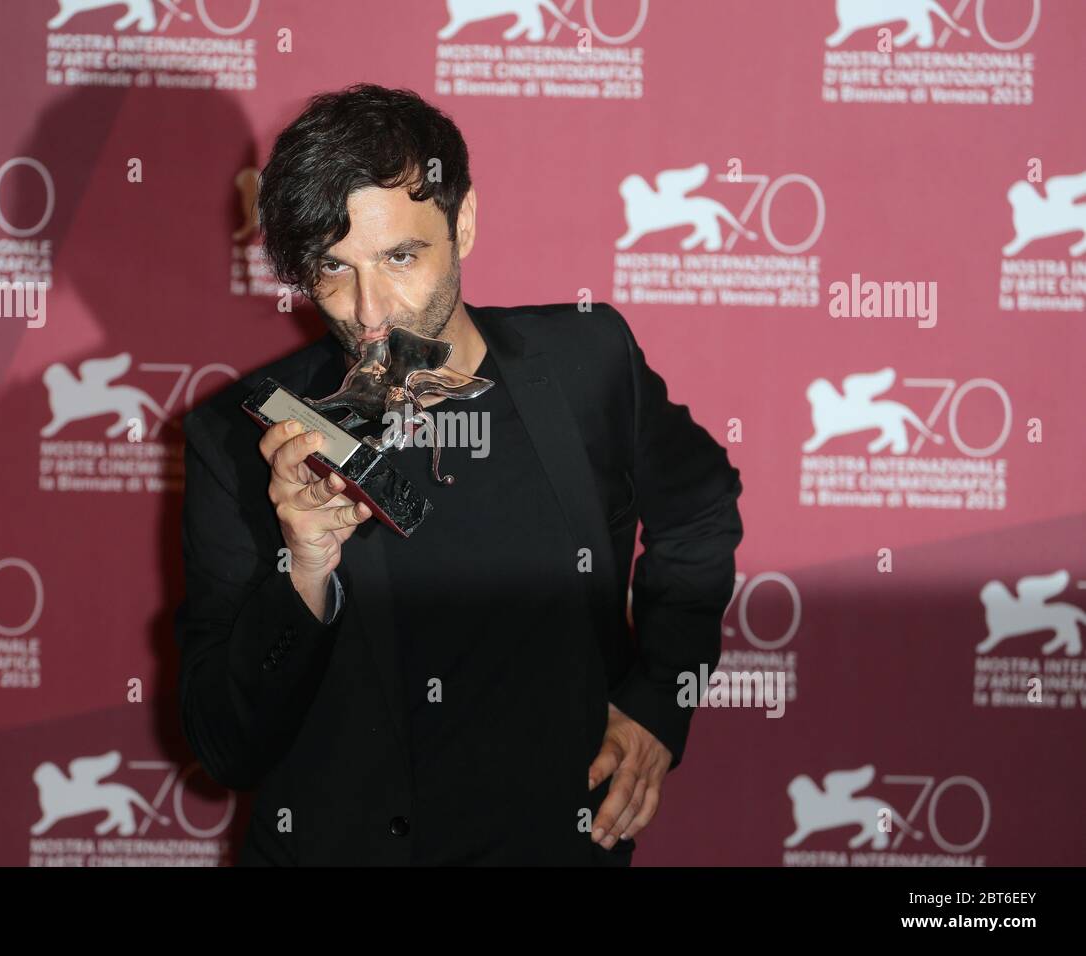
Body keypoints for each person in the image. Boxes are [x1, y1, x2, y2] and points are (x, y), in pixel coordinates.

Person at [174, 83, 744, 865]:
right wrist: (305, 575)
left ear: (463, 222)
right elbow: (228, 747)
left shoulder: (587, 364)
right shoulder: (240, 438)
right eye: (333, 271)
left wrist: (656, 701)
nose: (371, 311)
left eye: (400, 257)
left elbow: (700, 510)